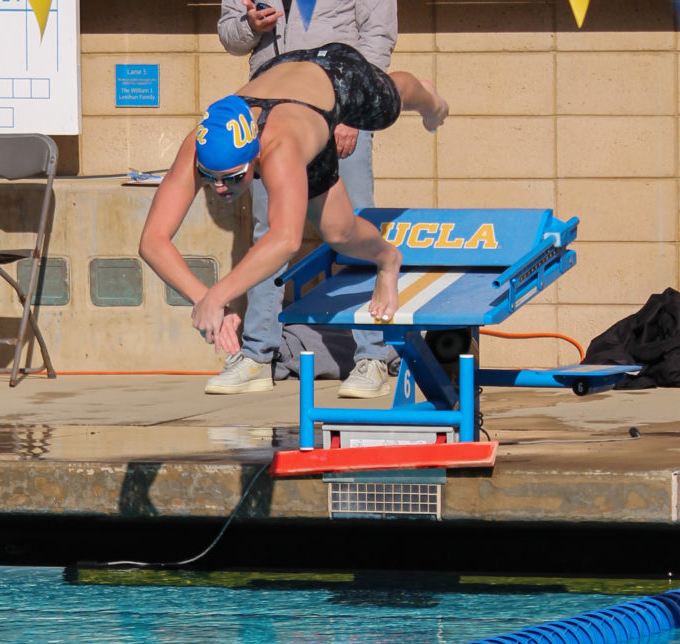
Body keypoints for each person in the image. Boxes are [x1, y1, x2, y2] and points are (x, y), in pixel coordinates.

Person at [137, 43, 448, 381]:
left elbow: (285, 240)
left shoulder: (279, 150)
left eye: (234, 178)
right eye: (210, 180)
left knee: (388, 102)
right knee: (339, 233)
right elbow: (152, 241)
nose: (221, 189)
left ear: (254, 155)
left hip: (333, 77)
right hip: (285, 86)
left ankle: (429, 98)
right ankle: (389, 259)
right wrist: (206, 300)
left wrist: (218, 294)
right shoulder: (198, 147)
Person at [213, 0, 398, 398]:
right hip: (269, 117)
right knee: (269, 232)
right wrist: (248, 24)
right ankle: (258, 354)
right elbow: (229, 35)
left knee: (354, 226)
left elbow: (378, 36)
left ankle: (373, 356)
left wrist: (353, 111)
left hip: (339, 108)